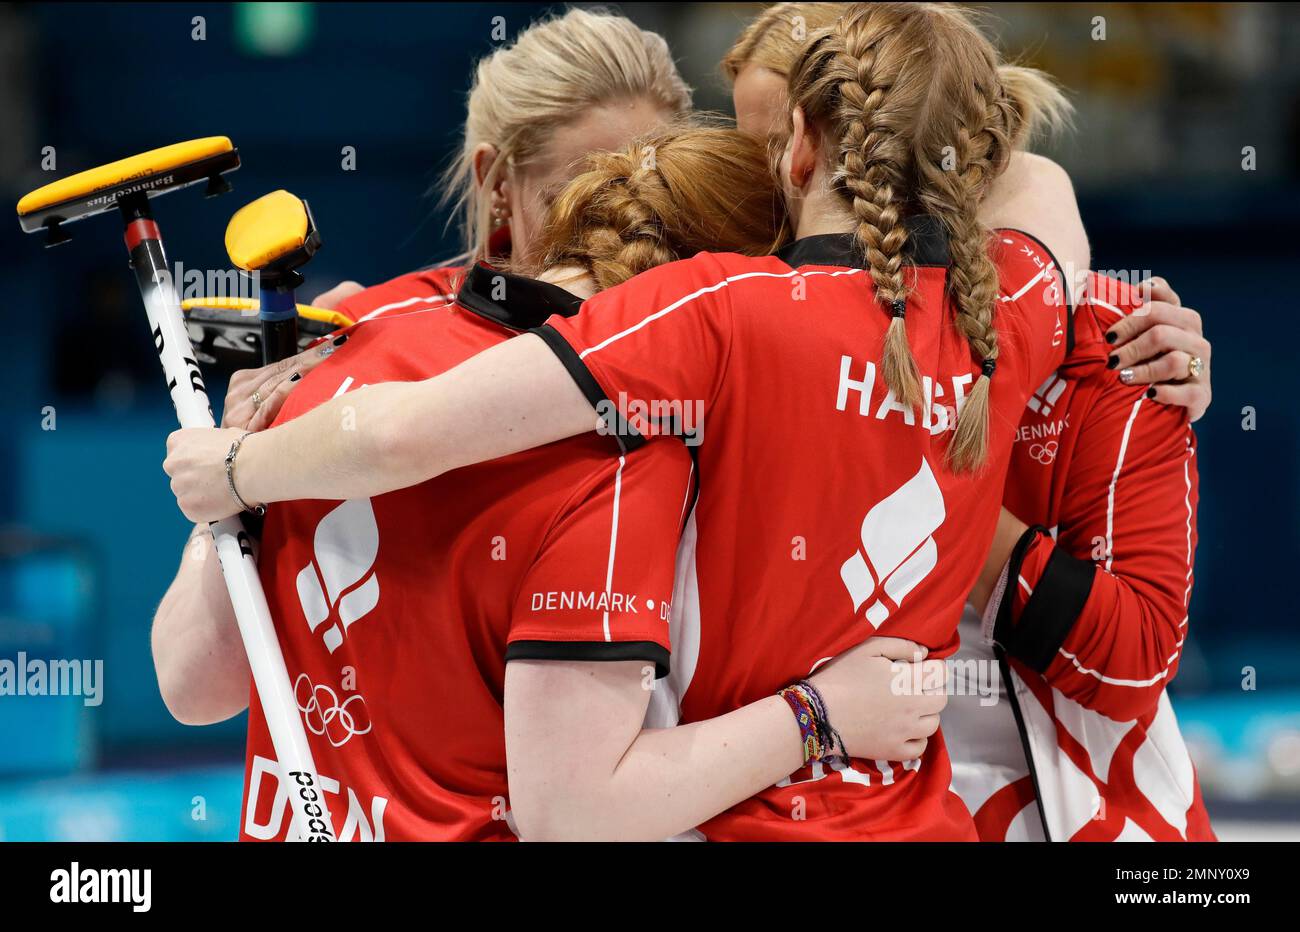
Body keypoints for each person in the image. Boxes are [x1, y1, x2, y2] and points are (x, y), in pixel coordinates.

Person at [163, 2, 1097, 840]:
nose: (631, 208)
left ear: (792, 154)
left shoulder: (685, 324)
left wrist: (236, 475)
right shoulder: (996, 312)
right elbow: (1039, 193)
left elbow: (194, 685)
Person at [725, 1, 1216, 841]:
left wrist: (904, 462)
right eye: (753, 154)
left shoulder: (1113, 340)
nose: (781, 181)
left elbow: (1133, 657)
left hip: (1071, 814)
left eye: (790, 148)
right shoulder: (724, 338)